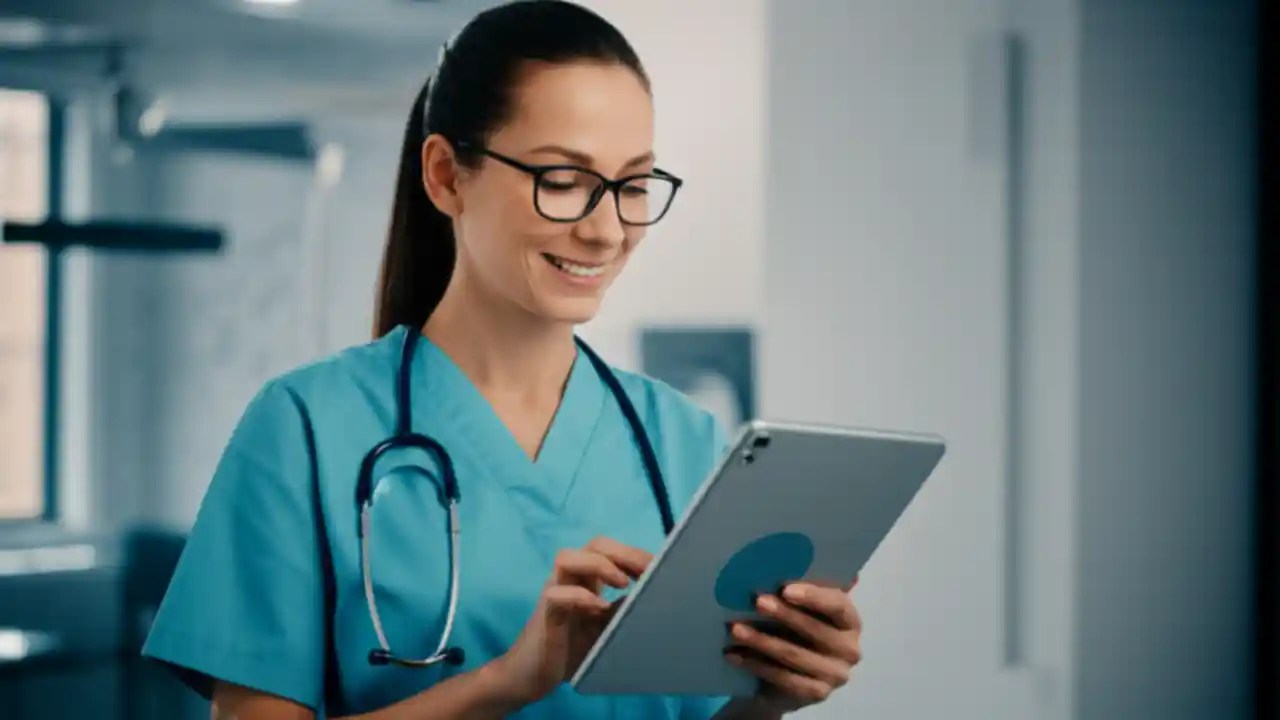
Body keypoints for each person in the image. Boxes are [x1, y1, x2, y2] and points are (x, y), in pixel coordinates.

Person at [141, 2, 862, 718]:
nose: (606, 229)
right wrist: (509, 680)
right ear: (447, 176)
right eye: (563, 181)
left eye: (634, 185)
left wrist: (768, 699)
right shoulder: (304, 429)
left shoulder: (687, 445)